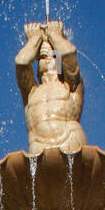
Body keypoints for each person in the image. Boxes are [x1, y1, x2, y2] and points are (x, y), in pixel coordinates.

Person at [15, 21, 87, 155]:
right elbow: (21, 62)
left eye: (54, 56)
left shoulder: (71, 86)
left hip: (70, 141)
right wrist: (34, 39)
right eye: (43, 56)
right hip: (39, 146)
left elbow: (69, 54)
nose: (48, 59)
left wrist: (55, 35)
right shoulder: (31, 91)